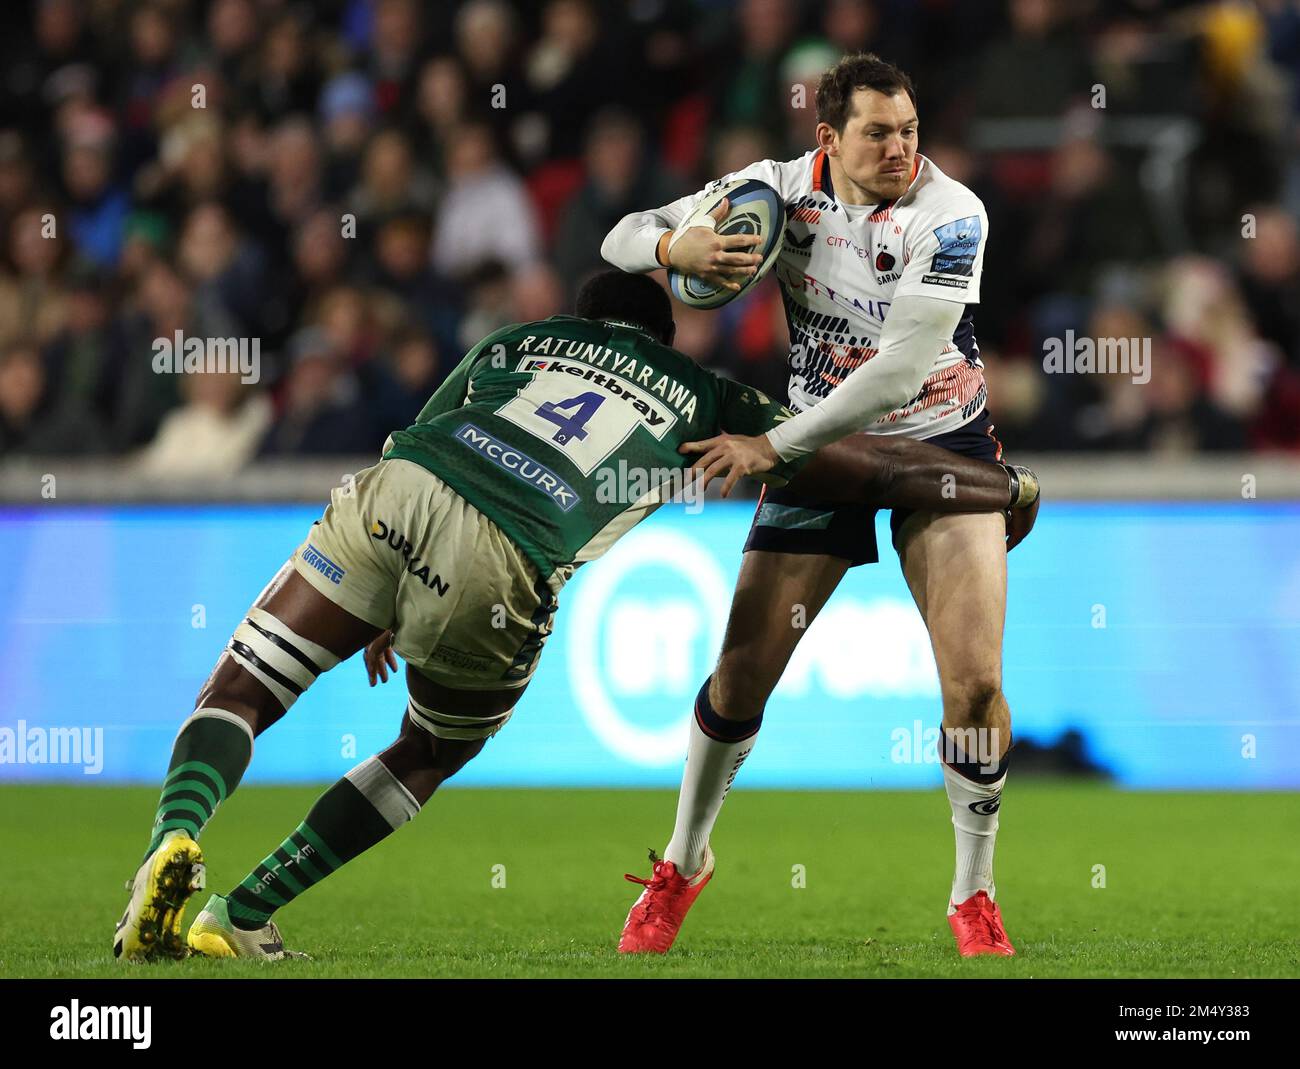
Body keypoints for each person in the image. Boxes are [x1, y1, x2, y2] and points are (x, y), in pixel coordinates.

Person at [113, 270, 1037, 961]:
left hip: (397, 491)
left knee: (244, 684)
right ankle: (239, 914)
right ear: (659, 334)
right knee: (431, 748)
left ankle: (173, 840)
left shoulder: (515, 341)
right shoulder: (698, 392)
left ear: (581, 317)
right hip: (506, 552)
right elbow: (867, 470)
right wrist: (1002, 482)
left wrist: (389, 595)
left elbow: (421, 442)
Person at [602, 52, 1024, 956]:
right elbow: (621, 236)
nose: (900, 149)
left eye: (909, 130)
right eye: (878, 133)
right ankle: (683, 859)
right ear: (827, 138)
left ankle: (974, 893)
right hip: (821, 451)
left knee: (977, 681)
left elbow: (902, 371)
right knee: (741, 675)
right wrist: (673, 247)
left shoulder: (952, 215)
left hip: (939, 444)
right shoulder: (775, 191)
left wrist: (772, 446)